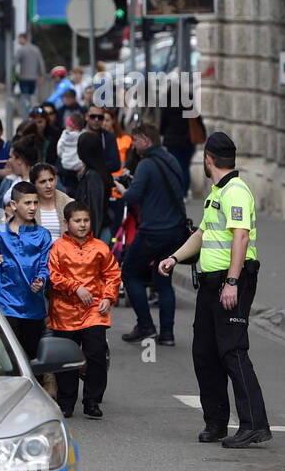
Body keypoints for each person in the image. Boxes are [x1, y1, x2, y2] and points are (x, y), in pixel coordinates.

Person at [156, 132, 271, 448]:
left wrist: (232, 282)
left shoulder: (236, 191)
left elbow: (241, 238)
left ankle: (254, 424)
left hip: (231, 282)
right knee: (205, 353)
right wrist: (175, 257)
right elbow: (204, 234)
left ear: (207, 159)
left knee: (233, 351)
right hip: (210, 284)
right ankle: (216, 421)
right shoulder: (217, 192)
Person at [114, 122, 186, 346]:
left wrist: (121, 189)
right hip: (175, 231)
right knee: (163, 280)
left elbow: (133, 197)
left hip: (153, 231)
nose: (134, 145)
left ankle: (145, 325)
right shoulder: (171, 160)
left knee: (129, 273)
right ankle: (167, 334)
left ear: (146, 140)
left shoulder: (146, 165)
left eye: (135, 140)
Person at [47, 201, 121, 419]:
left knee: (96, 354)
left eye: (85, 220)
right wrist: (75, 287)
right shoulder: (58, 247)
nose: (82, 225)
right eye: (77, 221)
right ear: (66, 222)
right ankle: (66, 402)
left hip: (94, 309)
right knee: (66, 357)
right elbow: (53, 275)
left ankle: (92, 400)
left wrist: (108, 297)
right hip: (64, 310)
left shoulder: (100, 247)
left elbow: (113, 275)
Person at [0, 181, 52, 360]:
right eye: (27, 203)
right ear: (14, 205)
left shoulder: (43, 235)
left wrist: (42, 279)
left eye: (35, 202)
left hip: (33, 306)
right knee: (8, 358)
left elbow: (46, 265)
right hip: (5, 305)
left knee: (33, 358)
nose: (33, 207)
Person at [73, 131, 115, 243]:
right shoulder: (97, 172)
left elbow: (95, 210)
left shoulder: (93, 176)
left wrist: (90, 239)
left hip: (96, 235)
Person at [29, 162, 74, 241]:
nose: (49, 186)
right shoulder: (27, 206)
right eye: (43, 182)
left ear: (56, 180)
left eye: (51, 180)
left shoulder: (69, 204)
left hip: (64, 252)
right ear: (33, 184)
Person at [13, 34, 46, 113]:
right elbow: (41, 63)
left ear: (22, 38)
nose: (18, 41)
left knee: (25, 97)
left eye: (19, 39)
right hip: (34, 78)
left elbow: (14, 63)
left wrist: (13, 75)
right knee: (32, 97)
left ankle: (26, 115)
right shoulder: (36, 49)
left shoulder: (21, 50)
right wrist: (42, 75)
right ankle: (33, 112)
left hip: (24, 78)